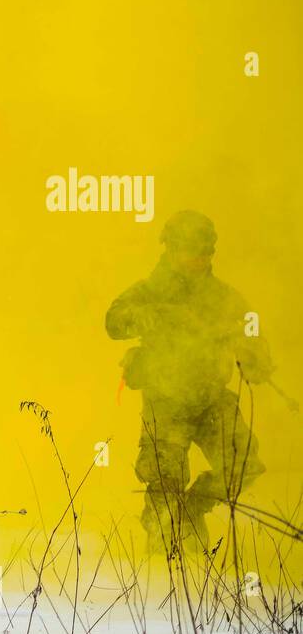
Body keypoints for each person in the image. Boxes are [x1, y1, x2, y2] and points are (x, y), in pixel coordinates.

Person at [106, 210, 272, 551]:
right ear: (170, 249)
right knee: (164, 489)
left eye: (206, 251)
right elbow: (113, 322)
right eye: (191, 249)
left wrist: (255, 356)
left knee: (243, 465)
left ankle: (193, 507)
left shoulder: (223, 297)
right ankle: (162, 565)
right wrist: (142, 315)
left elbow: (252, 329)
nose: (199, 258)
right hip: (166, 403)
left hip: (211, 399)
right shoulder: (150, 291)